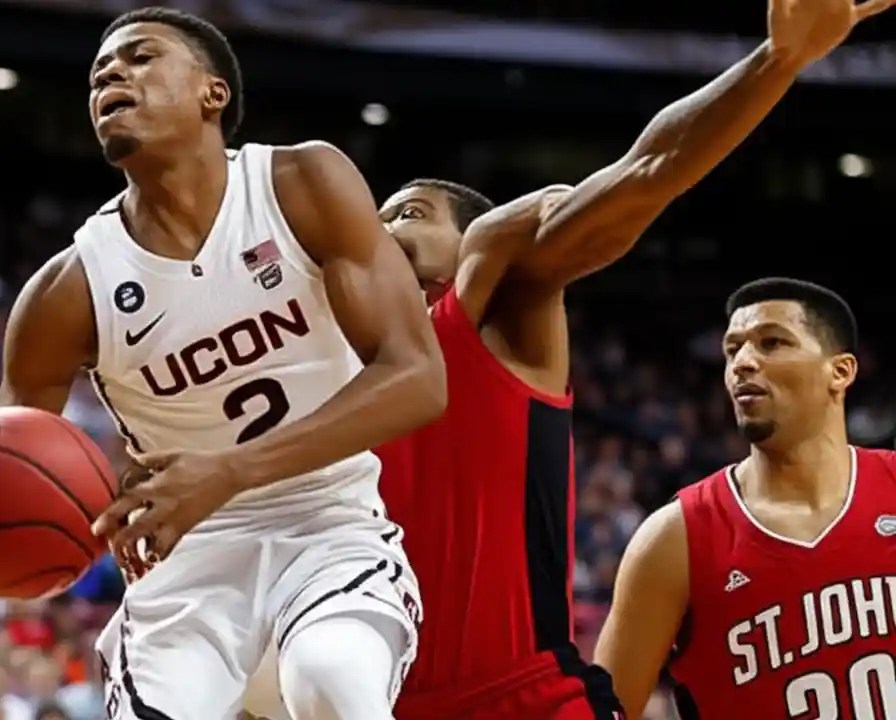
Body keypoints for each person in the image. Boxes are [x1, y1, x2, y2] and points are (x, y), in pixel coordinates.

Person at [241, 0, 893, 718]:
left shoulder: (491, 299)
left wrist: (776, 62)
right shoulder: (303, 380)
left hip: (525, 704)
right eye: (375, 217)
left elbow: (647, 171)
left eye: (411, 212)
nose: (380, 228)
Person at [0, 6, 446, 720]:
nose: (111, 77)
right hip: (188, 561)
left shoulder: (301, 183)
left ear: (213, 93)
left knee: (333, 679)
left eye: (141, 57)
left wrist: (229, 472)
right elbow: (13, 477)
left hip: (330, 525)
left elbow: (418, 378)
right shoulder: (67, 291)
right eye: (99, 74)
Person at [594, 277, 896, 718]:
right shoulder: (674, 538)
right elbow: (604, 710)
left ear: (841, 372)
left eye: (772, 342)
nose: (743, 362)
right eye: (733, 350)